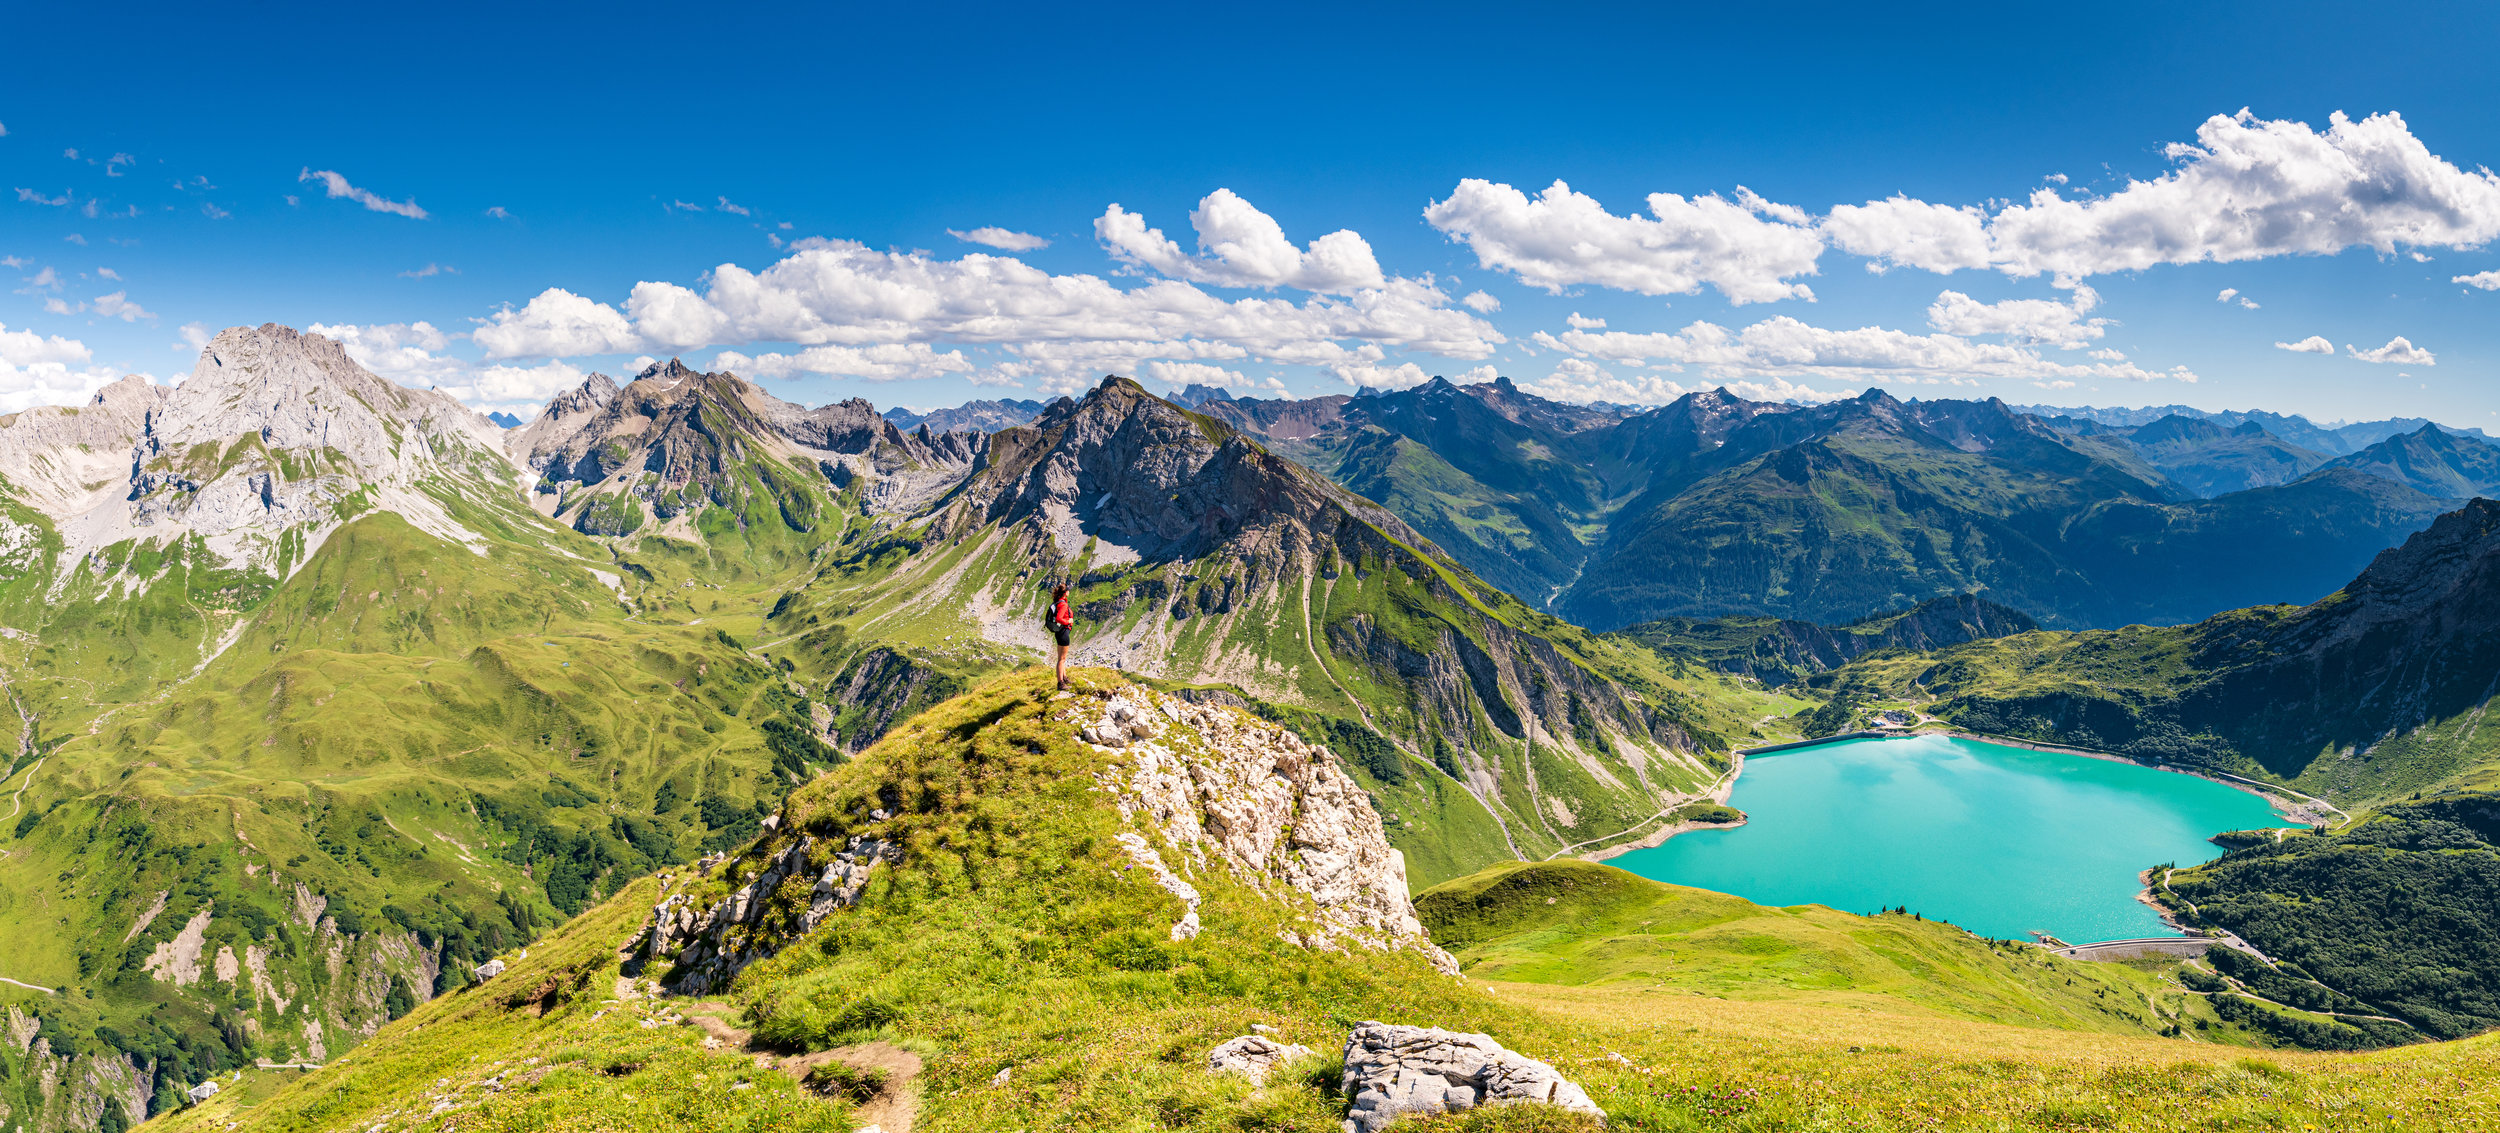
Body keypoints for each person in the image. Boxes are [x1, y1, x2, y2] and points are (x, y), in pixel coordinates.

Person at [1049, 583, 1075, 690]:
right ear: (1065, 593)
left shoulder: (1058, 602)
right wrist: (1068, 621)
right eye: (1068, 590)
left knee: (1062, 658)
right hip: (1064, 632)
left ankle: (1064, 678)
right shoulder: (1063, 604)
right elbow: (1059, 618)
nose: (1069, 591)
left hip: (1059, 632)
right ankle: (1060, 683)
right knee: (1062, 659)